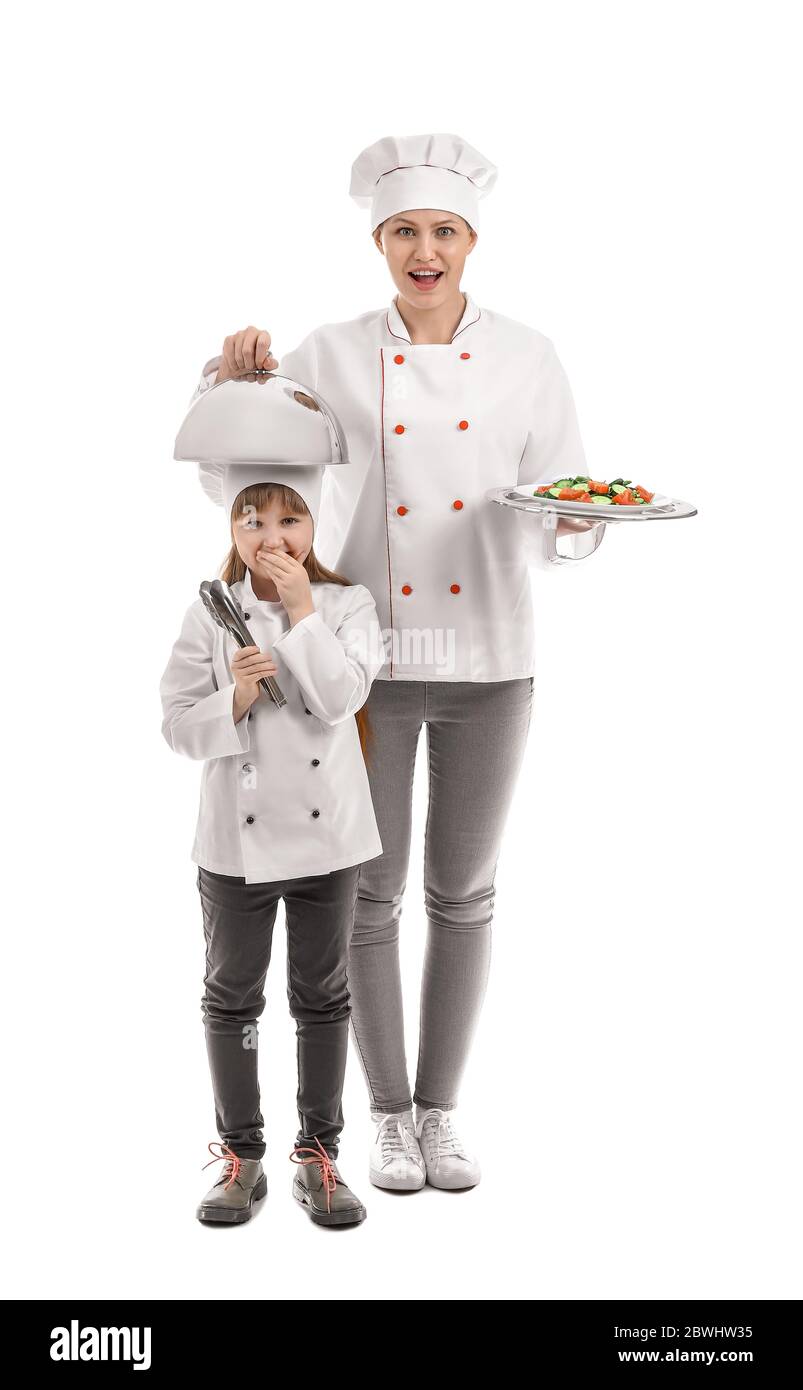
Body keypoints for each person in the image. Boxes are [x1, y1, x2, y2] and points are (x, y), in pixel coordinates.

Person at [188, 132, 603, 1195]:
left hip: (491, 655)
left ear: (472, 243)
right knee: (368, 894)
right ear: (380, 241)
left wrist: (567, 526)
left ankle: (442, 1112)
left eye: (443, 233)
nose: (425, 251)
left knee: (462, 891)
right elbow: (243, 476)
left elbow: (574, 500)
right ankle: (381, 1116)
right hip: (363, 661)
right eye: (404, 232)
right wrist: (226, 371)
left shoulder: (528, 356)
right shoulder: (328, 352)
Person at [159, 407, 387, 1227]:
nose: (270, 533)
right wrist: (239, 695)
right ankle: (241, 1155)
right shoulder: (207, 612)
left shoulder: (349, 605)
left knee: (323, 998)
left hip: (331, 842)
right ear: (231, 523)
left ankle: (318, 1155)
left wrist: (301, 616)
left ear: (312, 523)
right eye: (252, 516)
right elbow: (178, 728)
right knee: (231, 999)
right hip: (235, 846)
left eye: (289, 516)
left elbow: (340, 698)